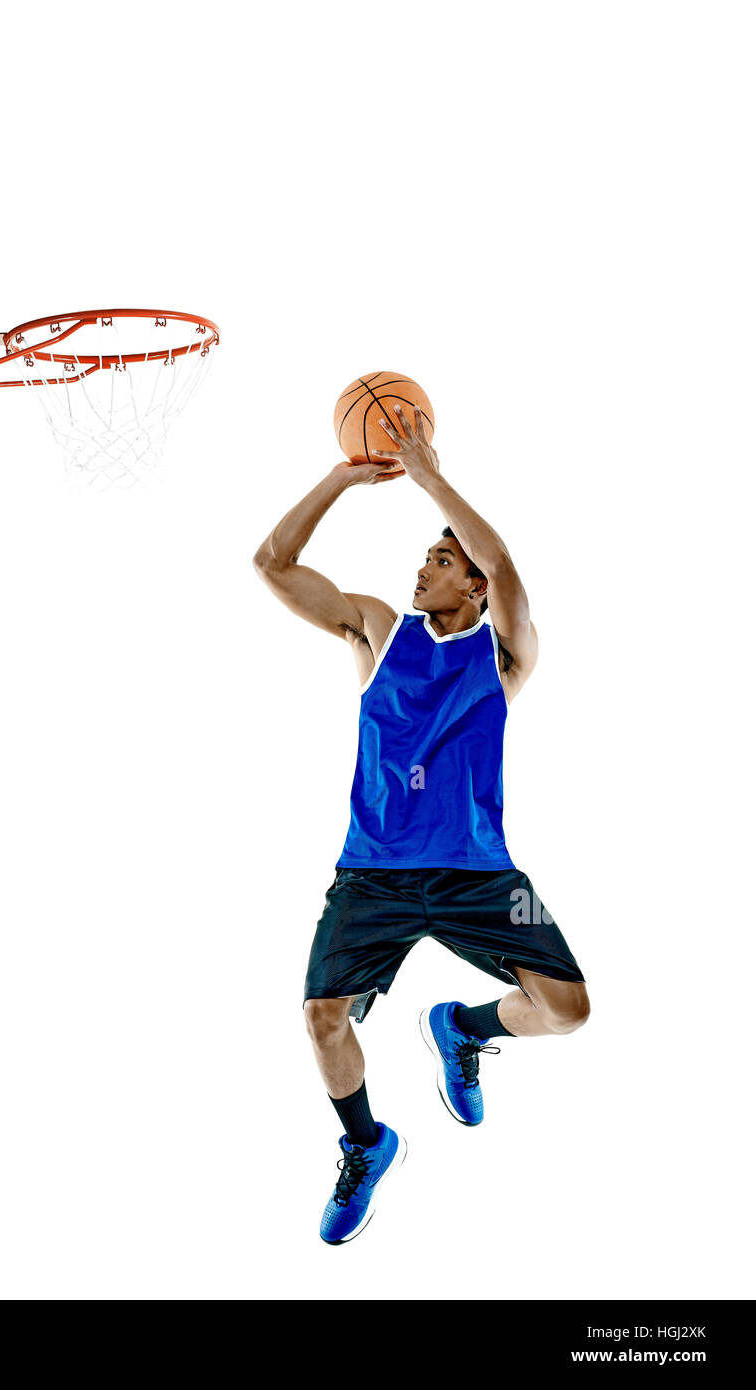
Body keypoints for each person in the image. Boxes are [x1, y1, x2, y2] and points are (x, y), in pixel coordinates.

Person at [253, 405, 590, 1245]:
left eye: (441, 561)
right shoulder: (377, 631)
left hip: (480, 875)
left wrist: (429, 473)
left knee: (569, 1010)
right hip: (373, 874)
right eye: (424, 557)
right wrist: (341, 477)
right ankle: (367, 1144)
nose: (423, 570)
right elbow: (273, 563)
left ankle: (461, 1029)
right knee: (321, 1019)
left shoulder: (505, 654)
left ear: (472, 586)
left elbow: (504, 561)